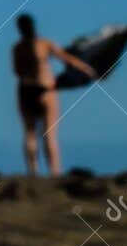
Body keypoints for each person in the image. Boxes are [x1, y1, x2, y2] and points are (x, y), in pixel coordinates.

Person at [11, 13, 96, 177]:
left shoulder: (17, 48)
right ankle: (55, 172)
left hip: (25, 90)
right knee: (49, 134)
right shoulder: (43, 44)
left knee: (30, 133)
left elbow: (16, 71)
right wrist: (87, 69)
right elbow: (67, 59)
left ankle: (33, 171)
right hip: (45, 90)